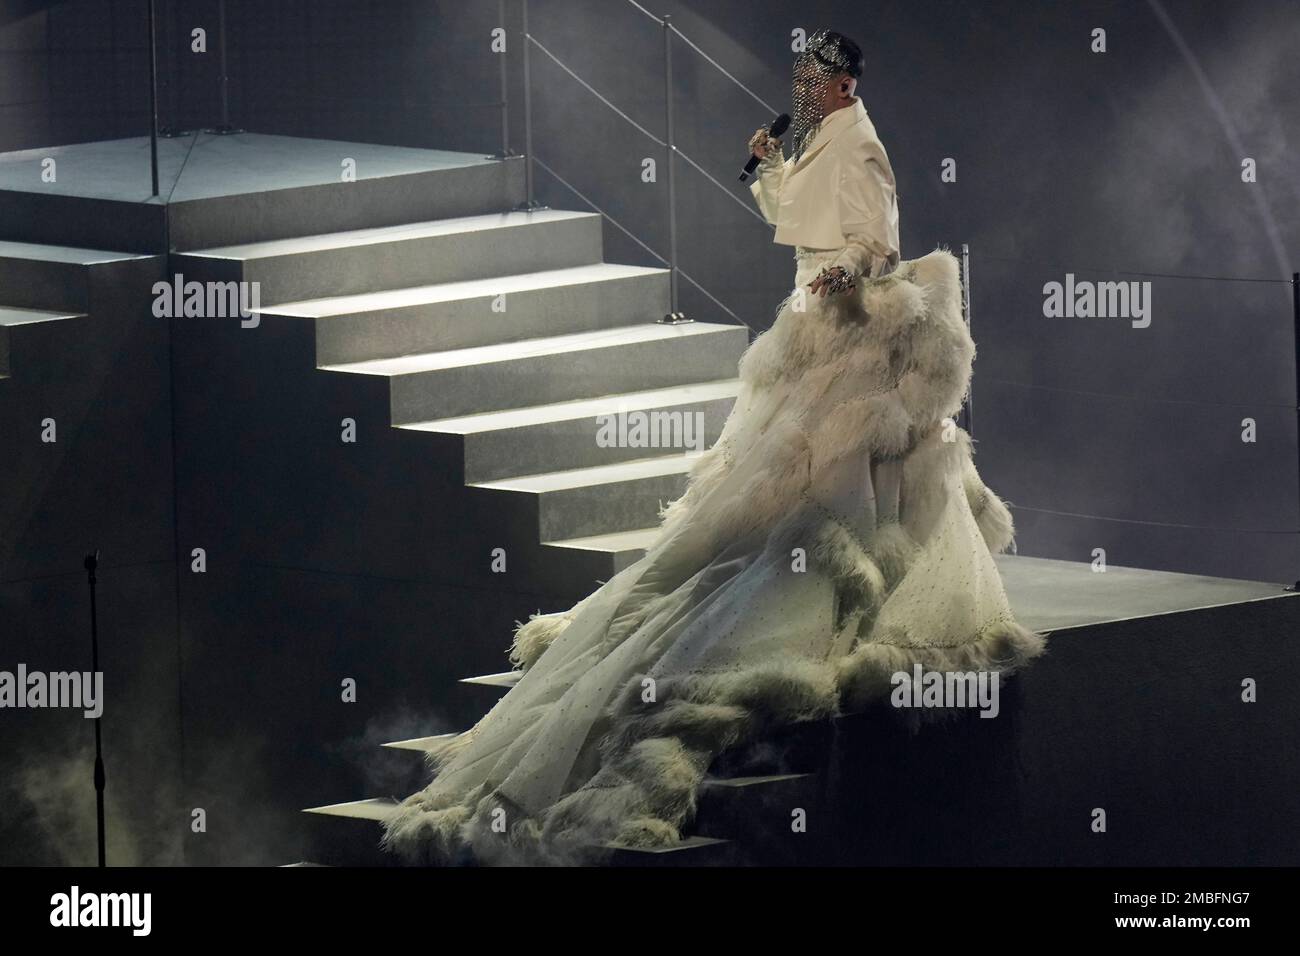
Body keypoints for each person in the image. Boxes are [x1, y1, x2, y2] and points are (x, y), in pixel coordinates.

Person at [382, 29, 1045, 866]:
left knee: (830, 478)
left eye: (812, 78)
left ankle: (845, 566)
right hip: (816, 329)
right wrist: (771, 170)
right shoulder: (821, 139)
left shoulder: (863, 147)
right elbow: (800, 224)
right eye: (799, 78)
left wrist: (833, 281)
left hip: (851, 341)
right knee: (753, 494)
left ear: (841, 84)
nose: (801, 89)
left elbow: (872, 249)